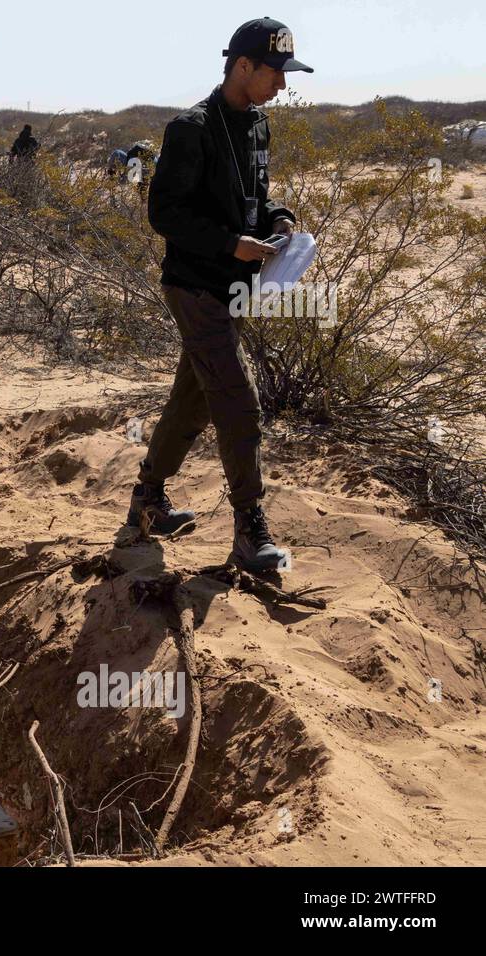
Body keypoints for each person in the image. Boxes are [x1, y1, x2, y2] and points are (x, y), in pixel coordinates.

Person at [126, 16, 312, 575]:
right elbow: (164, 212)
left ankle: (147, 500)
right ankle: (249, 530)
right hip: (194, 286)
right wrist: (232, 244)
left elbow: (256, 195)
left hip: (233, 286)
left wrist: (278, 221)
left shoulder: (256, 125)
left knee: (195, 396)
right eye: (275, 73)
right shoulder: (192, 128)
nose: (282, 85)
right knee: (235, 396)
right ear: (243, 66)